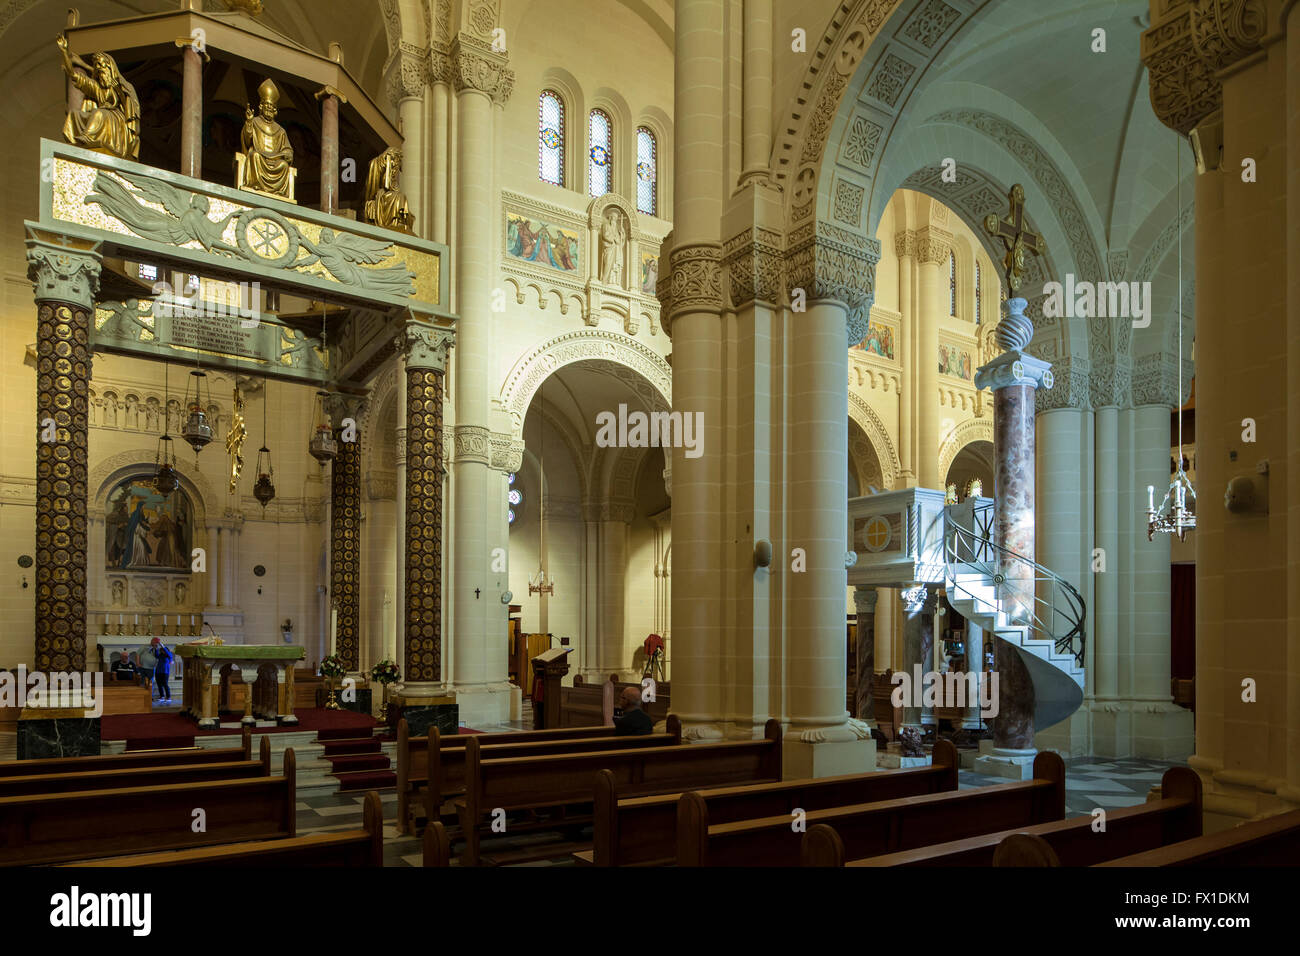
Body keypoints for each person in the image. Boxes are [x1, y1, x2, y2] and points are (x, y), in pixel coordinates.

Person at [150, 637, 174, 703]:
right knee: (159, 684)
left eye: (163, 650)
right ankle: (162, 696)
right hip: (158, 672)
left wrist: (161, 644)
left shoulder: (169, 655)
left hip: (165, 672)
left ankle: (168, 697)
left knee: (165, 684)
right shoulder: (160, 655)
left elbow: (166, 651)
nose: (162, 651)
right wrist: (156, 648)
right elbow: (156, 655)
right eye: (161, 650)